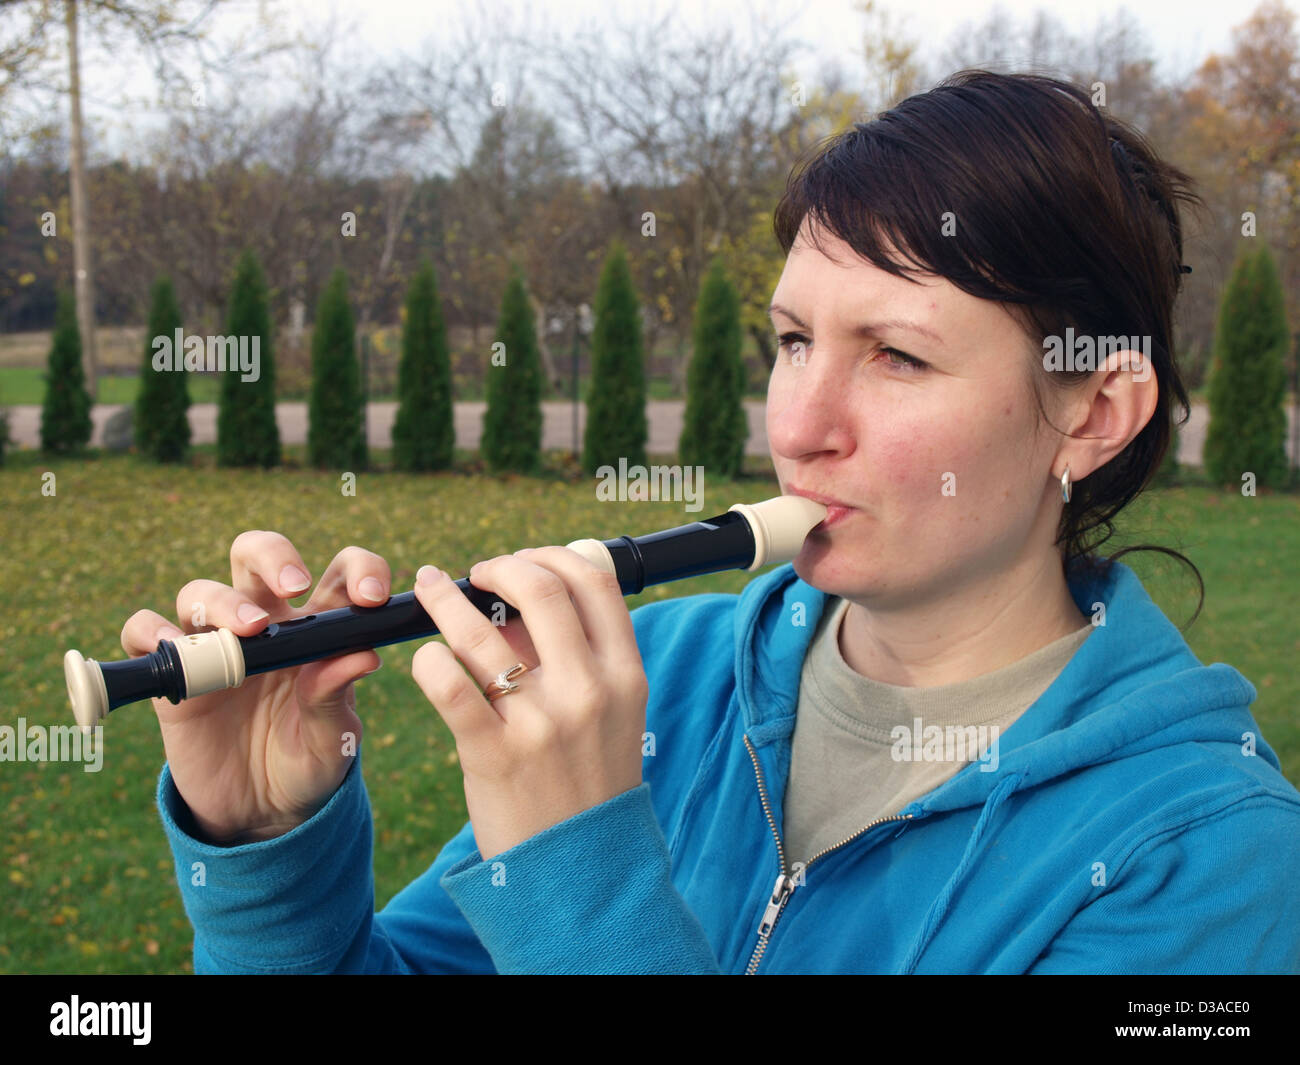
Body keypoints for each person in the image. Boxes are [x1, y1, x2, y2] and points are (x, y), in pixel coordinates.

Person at [125, 70, 1300, 974]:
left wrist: (580, 872)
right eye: (793, 341)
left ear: (1093, 410)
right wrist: (272, 853)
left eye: (895, 354)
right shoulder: (657, 677)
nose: (800, 425)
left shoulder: (1210, 864)